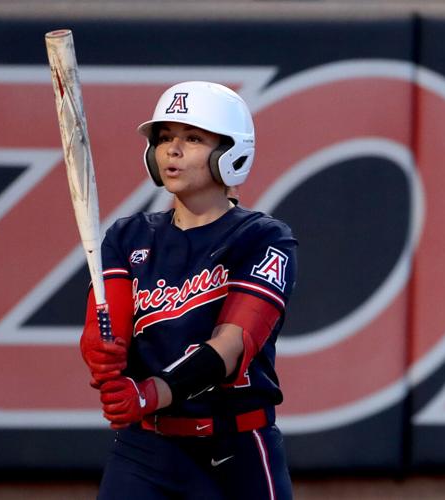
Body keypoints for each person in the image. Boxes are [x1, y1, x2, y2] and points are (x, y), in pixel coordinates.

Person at [79, 81, 295, 499]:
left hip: (236, 451)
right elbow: (106, 327)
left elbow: (232, 346)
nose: (172, 150)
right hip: (146, 449)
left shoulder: (263, 238)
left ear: (231, 152)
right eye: (164, 138)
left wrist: (149, 393)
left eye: (192, 138)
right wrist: (99, 352)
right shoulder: (127, 236)